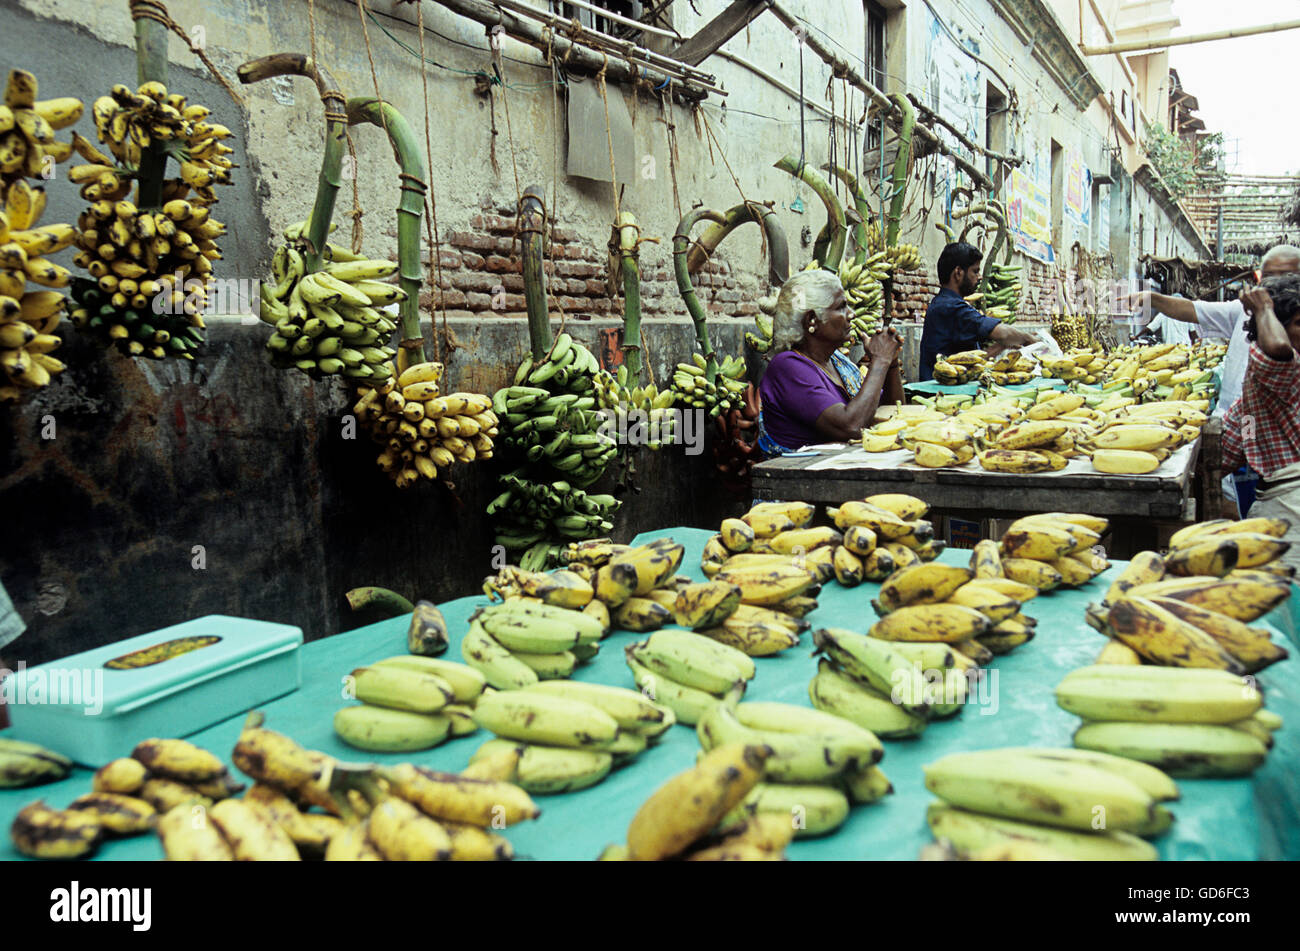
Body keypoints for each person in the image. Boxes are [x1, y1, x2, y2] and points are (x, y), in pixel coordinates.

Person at [1130, 245, 1300, 515]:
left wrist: (1265, 308)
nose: (1272, 285)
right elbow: (1195, 310)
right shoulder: (1247, 314)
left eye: (1284, 275)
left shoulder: (1287, 329)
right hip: (1244, 423)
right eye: (1269, 276)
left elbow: (1278, 353)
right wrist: (1153, 298)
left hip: (1283, 463)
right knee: (1237, 501)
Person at [756, 269, 904, 453]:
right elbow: (851, 427)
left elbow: (893, 415)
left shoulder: (838, 362)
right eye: (841, 307)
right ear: (812, 320)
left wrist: (891, 363)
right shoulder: (787, 367)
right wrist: (880, 360)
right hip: (802, 476)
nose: (851, 314)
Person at [1221, 273, 1300, 574]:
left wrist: (1263, 307)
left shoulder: (1285, 368)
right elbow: (1243, 434)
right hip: (1280, 504)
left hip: (1292, 503)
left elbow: (1279, 350)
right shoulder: (1258, 392)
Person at [919, 242, 1038, 381]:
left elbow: (971, 361)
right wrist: (1028, 338)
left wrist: (1002, 346)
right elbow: (1002, 333)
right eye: (975, 271)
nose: (979, 277)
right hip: (940, 393)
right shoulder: (951, 307)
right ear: (958, 273)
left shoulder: (943, 303)